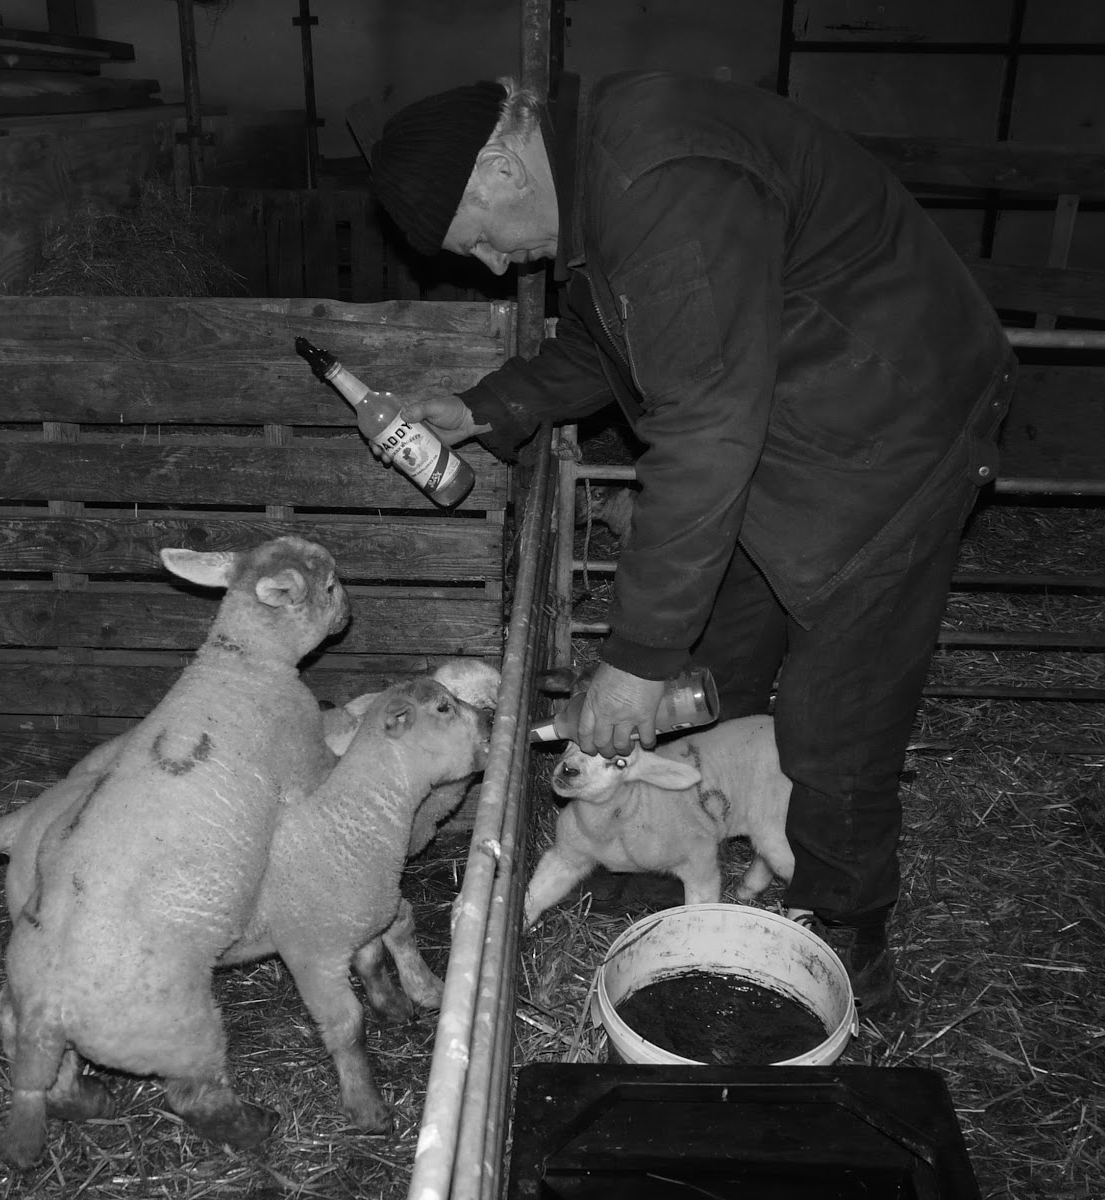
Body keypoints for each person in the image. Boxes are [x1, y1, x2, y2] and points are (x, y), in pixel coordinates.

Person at [369, 71, 1015, 1014]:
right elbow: (614, 347)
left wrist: (634, 658)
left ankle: (843, 924)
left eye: (475, 235)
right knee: (719, 662)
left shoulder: (660, 178)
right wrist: (485, 407)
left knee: (838, 708)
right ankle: (682, 829)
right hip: (791, 408)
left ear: (502, 162)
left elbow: (705, 427)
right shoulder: (599, 190)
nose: (497, 264)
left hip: (890, 424)